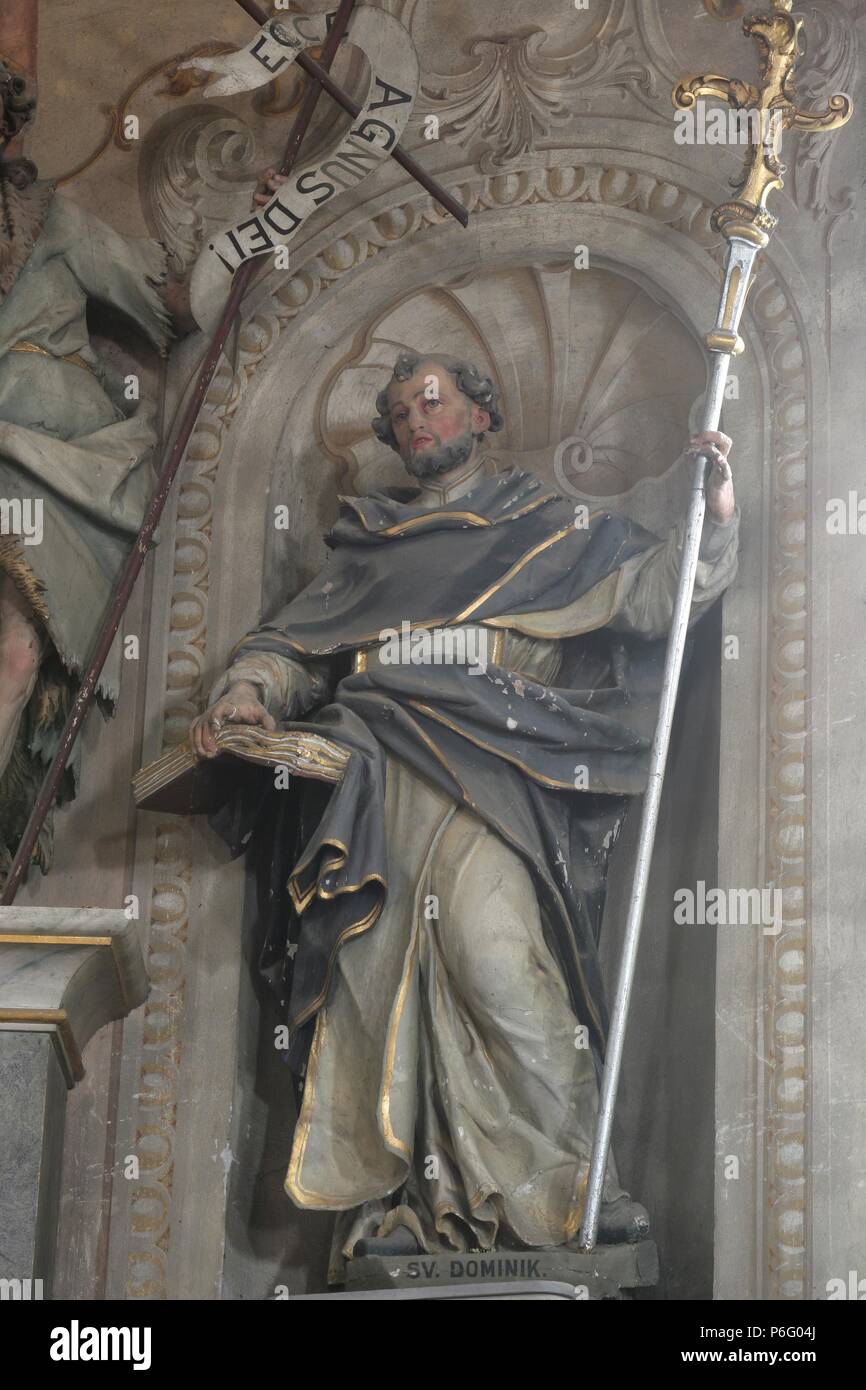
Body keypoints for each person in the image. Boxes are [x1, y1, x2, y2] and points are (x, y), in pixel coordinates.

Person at [191, 347, 738, 1274]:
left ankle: (571, 1191)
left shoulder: (548, 526)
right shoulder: (371, 547)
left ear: (482, 415)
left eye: (433, 402)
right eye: (401, 413)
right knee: (374, 988)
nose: (417, 423)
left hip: (497, 769)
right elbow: (293, 646)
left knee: (499, 966)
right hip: (380, 783)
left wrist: (713, 514)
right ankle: (402, 1207)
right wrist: (248, 690)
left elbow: (658, 599)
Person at [0, 55, 195, 876]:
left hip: (49, 460)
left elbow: (171, 305)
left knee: (13, 653)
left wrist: (261, 231)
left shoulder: (51, 220)